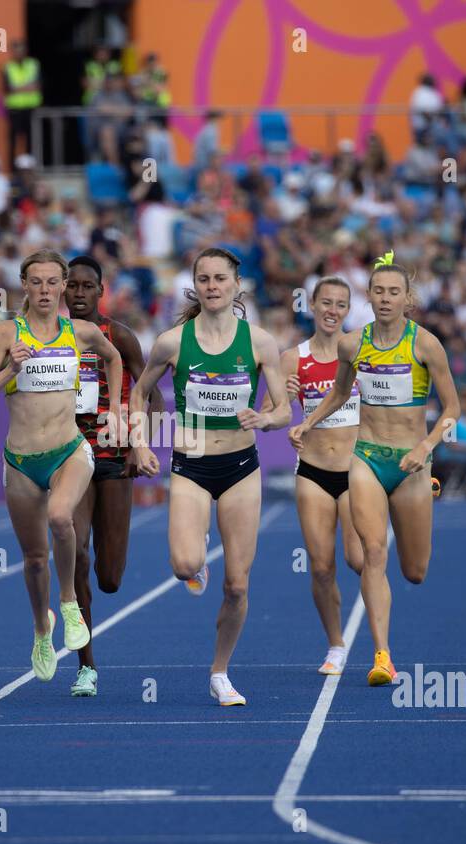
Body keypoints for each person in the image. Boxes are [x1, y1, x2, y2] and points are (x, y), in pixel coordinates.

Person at [127, 247, 290, 706]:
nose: (213, 286)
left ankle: (220, 672)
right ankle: (195, 558)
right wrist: (140, 444)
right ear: (195, 286)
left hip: (240, 468)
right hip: (191, 464)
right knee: (183, 565)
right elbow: (138, 395)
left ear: (237, 285)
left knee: (237, 584)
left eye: (221, 278)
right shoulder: (173, 342)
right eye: (204, 279)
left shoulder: (259, 342)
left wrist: (266, 420)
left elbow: (283, 410)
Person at [289, 251, 461, 687]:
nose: (385, 299)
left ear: (407, 298)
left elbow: (453, 409)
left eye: (394, 292)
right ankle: (382, 655)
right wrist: (307, 421)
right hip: (366, 458)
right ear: (369, 296)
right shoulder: (354, 344)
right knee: (372, 553)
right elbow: (337, 394)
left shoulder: (425, 344)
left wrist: (426, 447)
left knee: (414, 571)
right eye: (378, 292)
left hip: (412, 464)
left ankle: (427, 490)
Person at [0, 250, 124, 684]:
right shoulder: (5, 335)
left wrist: (117, 410)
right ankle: (41, 629)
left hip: (70, 449)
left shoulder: (81, 331)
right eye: (36, 282)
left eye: (54, 282)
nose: (46, 291)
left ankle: (70, 602)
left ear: (64, 285)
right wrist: (9, 369)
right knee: (35, 560)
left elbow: (114, 358)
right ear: (24, 286)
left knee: (60, 517)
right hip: (20, 461)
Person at [65, 255, 159, 697]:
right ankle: (86, 665)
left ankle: (92, 588)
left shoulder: (119, 336)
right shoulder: (49, 339)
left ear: (100, 291)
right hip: (70, 458)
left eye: (88, 286)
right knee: (76, 554)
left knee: (110, 577)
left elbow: (152, 397)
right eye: (73, 286)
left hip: (115, 458)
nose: (79, 293)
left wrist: (140, 444)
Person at [271, 277, 365, 675]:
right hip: (312, 471)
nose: (332, 310)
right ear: (312, 305)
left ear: (347, 310)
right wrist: (286, 395)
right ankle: (336, 644)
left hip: (356, 470)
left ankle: (380, 644)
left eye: (340, 304)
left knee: (360, 559)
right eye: (325, 302)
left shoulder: (363, 351)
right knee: (322, 565)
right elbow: (272, 414)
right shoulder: (293, 356)